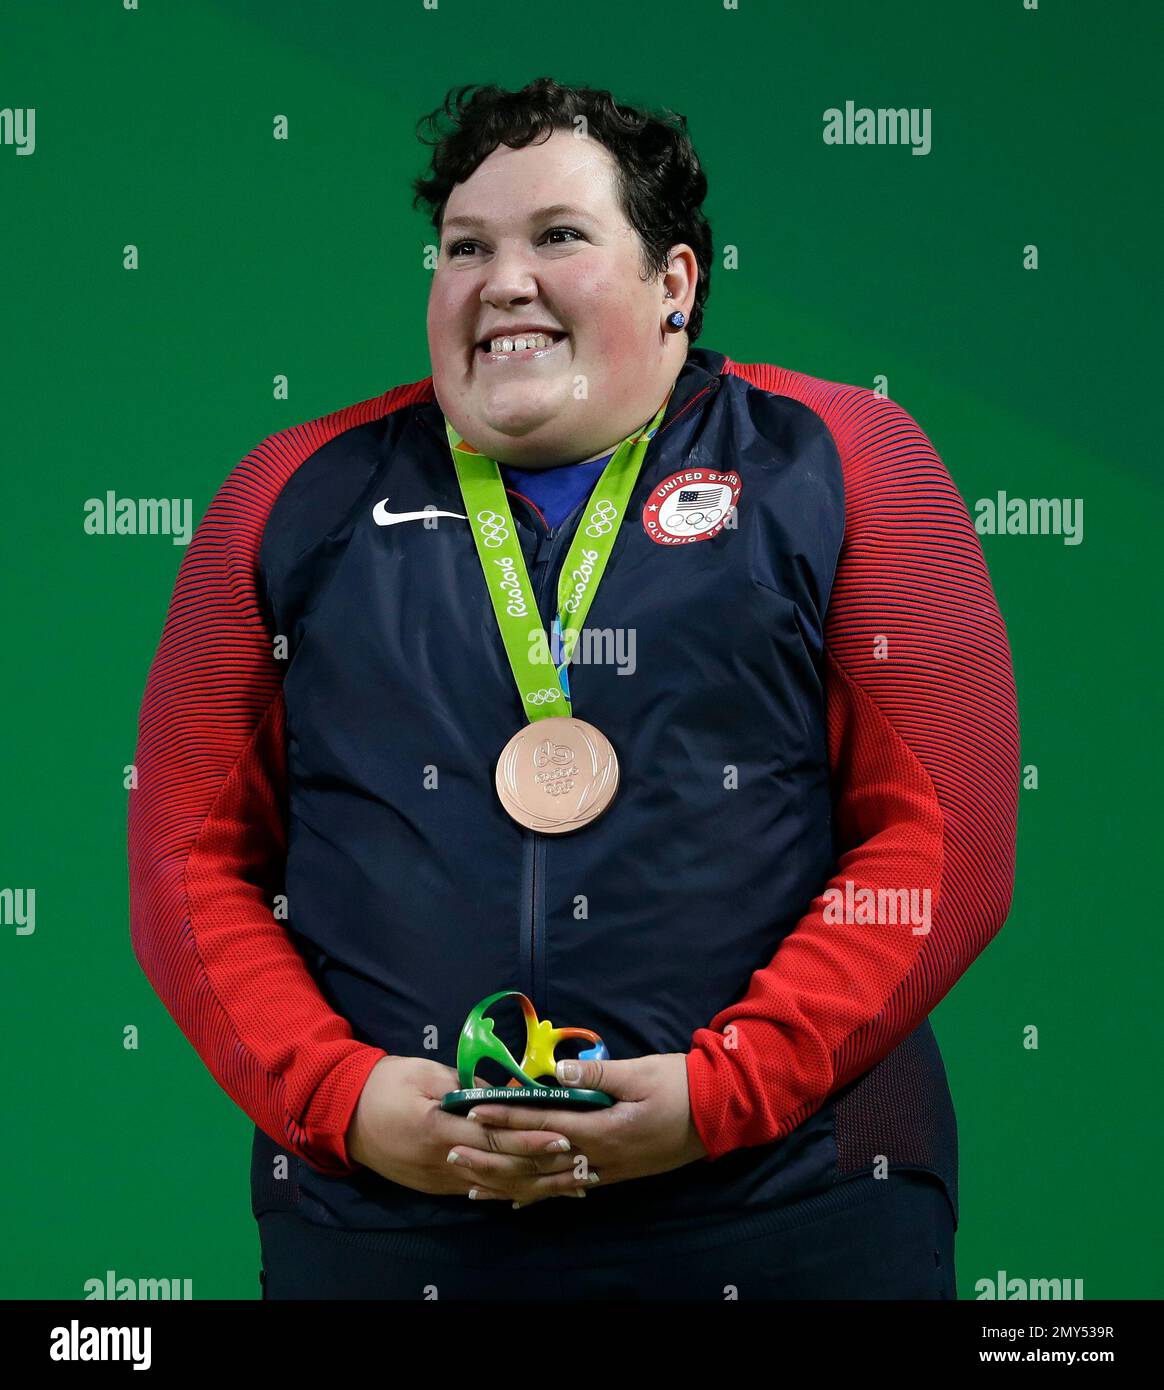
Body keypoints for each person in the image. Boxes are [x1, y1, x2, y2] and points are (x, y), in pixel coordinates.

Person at [127, 77, 1019, 1300]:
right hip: (387, 1230)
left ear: (675, 285)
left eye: (558, 235)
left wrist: (727, 1090)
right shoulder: (289, 498)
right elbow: (188, 859)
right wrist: (340, 1095)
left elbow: (943, 842)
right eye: (464, 248)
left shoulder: (849, 460)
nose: (501, 280)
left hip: (790, 1208)